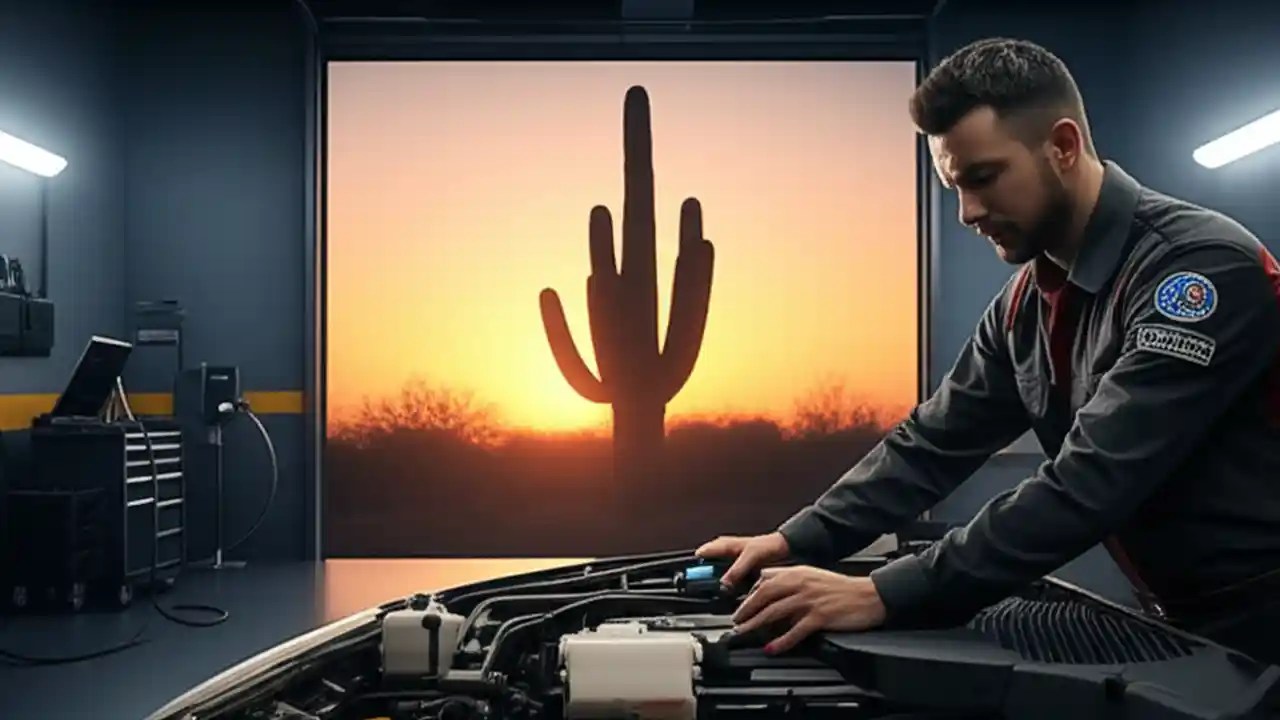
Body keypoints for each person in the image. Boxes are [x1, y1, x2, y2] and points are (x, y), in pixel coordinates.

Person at [698, 37, 1280, 665]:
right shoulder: (1023, 306)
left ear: (1062, 146)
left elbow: (1092, 481)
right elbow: (931, 444)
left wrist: (886, 592)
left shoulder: (1196, 272)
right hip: (1180, 626)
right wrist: (795, 541)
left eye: (983, 178)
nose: (967, 212)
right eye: (953, 185)